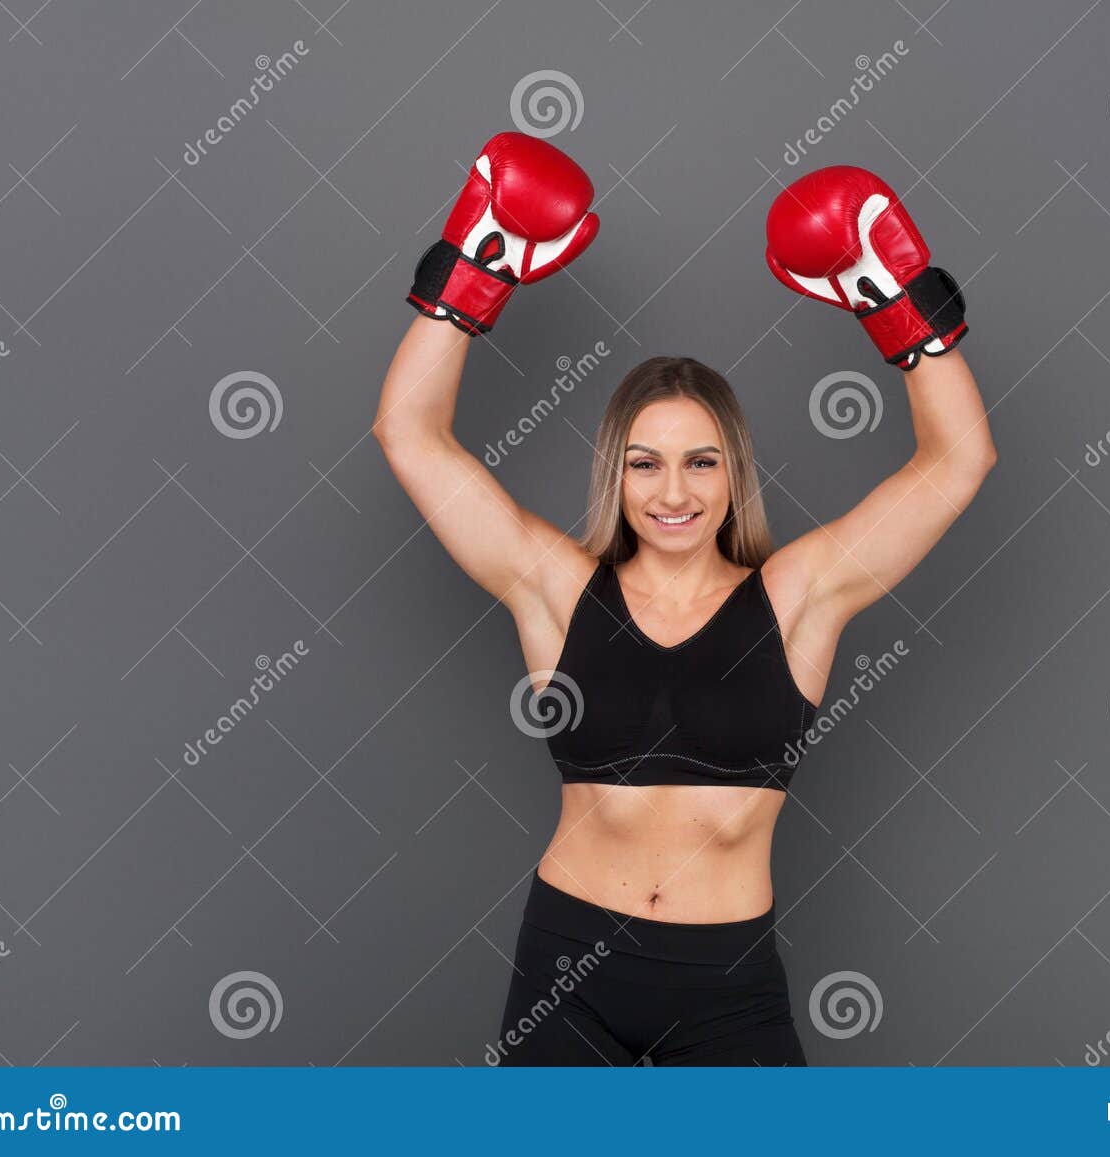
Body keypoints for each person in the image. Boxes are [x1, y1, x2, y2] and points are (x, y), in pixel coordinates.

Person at [372, 132, 997, 1065]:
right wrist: (475, 265)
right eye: (646, 463)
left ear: (733, 473)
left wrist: (894, 295)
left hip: (727, 989)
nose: (675, 491)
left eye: (702, 462)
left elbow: (960, 461)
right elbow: (409, 433)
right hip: (566, 973)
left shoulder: (798, 596)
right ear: (616, 476)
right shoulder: (555, 588)